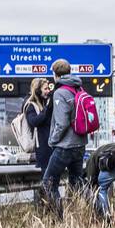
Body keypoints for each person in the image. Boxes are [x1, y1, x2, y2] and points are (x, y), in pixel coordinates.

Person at [40, 59, 88, 217]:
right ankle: (84, 216)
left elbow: (61, 123)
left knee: (48, 183)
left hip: (65, 147)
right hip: (80, 145)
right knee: (76, 184)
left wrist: (52, 140)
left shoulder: (60, 92)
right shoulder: (78, 88)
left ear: (55, 74)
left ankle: (58, 220)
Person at [23, 78, 55, 175]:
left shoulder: (46, 103)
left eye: (48, 89)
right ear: (37, 90)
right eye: (45, 89)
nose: (48, 91)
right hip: (42, 148)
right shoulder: (30, 105)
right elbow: (34, 121)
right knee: (46, 178)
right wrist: (46, 109)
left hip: (51, 145)